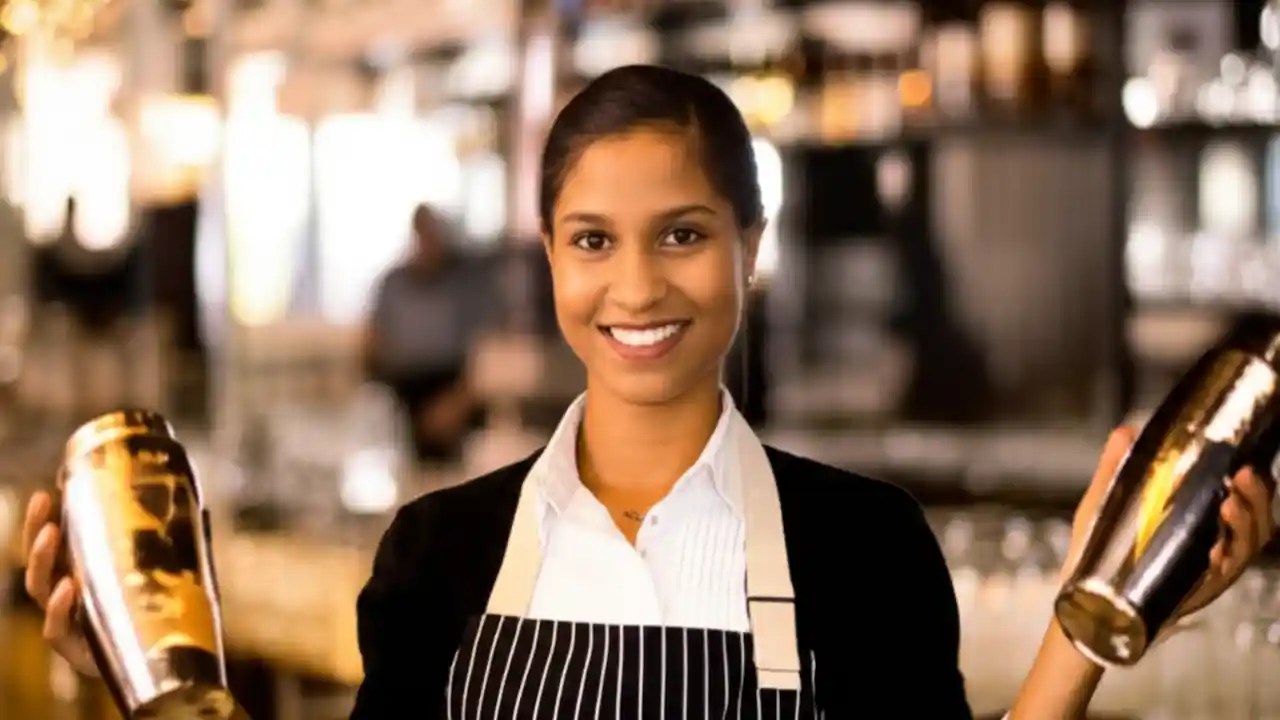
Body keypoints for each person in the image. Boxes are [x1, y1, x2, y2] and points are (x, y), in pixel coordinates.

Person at [20, 65, 1275, 718]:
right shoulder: (436, 555)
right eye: (590, 240)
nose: (634, 287)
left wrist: (1089, 619)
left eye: (680, 235)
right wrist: (157, 689)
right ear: (549, 252)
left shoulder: (863, 547)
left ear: (750, 248)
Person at [363, 203, 491, 464]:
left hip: (449, 388)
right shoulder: (392, 283)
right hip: (399, 391)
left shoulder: (465, 287)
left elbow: (485, 356)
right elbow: (371, 342)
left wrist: (457, 404)